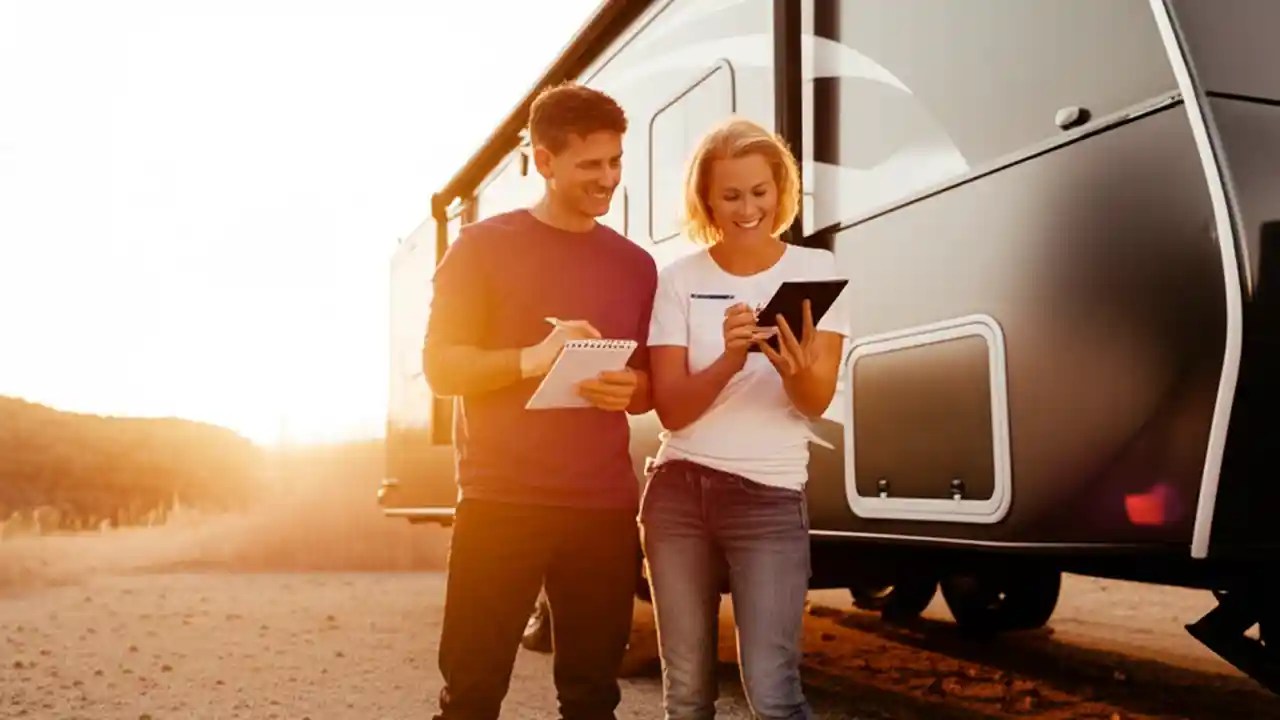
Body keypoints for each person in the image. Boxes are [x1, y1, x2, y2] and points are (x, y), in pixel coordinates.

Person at [423, 81, 658, 720]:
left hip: (602, 508)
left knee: (592, 698)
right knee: (471, 693)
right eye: (590, 165)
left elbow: (650, 380)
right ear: (546, 162)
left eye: (614, 161)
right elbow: (441, 368)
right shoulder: (481, 248)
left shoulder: (636, 266)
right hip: (500, 502)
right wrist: (534, 358)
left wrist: (634, 388)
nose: (608, 178)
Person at [642, 117, 848, 720]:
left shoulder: (815, 270)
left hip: (769, 498)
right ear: (707, 199)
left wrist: (792, 366)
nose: (747, 207)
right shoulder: (678, 279)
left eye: (760, 191)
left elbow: (814, 401)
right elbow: (672, 408)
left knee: (774, 693)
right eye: (731, 195)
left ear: (781, 190)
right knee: (686, 696)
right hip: (677, 493)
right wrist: (731, 356)